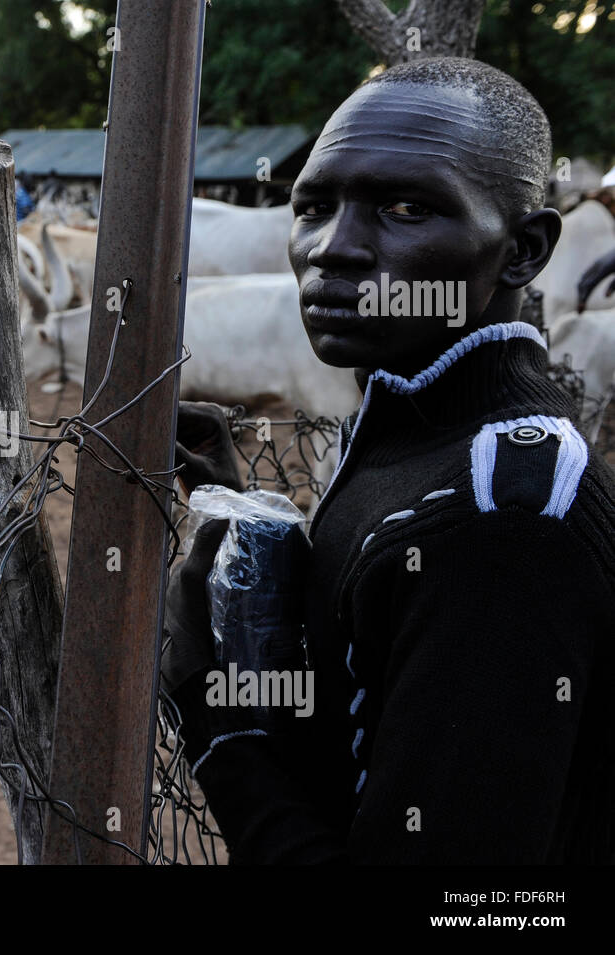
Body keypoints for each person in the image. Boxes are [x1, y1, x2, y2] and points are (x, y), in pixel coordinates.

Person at [162, 57, 615, 864]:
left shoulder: (506, 514)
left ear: (523, 250)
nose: (333, 249)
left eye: (407, 208)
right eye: (314, 206)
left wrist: (218, 725)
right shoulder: (420, 431)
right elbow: (379, 680)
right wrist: (250, 519)